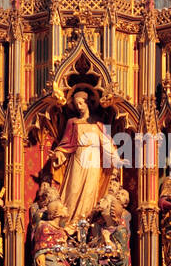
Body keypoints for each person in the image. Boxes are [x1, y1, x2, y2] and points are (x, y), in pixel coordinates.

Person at [48, 89, 121, 225]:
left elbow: (106, 143)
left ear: (87, 103)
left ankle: (86, 224)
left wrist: (114, 157)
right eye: (76, 105)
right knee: (73, 190)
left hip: (93, 163)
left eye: (81, 103)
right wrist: (58, 154)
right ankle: (69, 224)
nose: (79, 107)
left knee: (89, 193)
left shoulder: (97, 124)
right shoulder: (73, 122)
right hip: (77, 159)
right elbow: (66, 143)